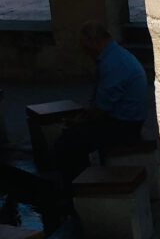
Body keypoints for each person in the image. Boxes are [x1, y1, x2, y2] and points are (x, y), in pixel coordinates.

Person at [55, 22, 148, 182]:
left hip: (125, 125)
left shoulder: (113, 63)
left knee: (68, 143)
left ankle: (79, 186)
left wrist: (80, 120)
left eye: (86, 47)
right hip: (123, 119)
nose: (85, 51)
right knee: (74, 135)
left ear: (95, 42)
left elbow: (101, 108)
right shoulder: (114, 56)